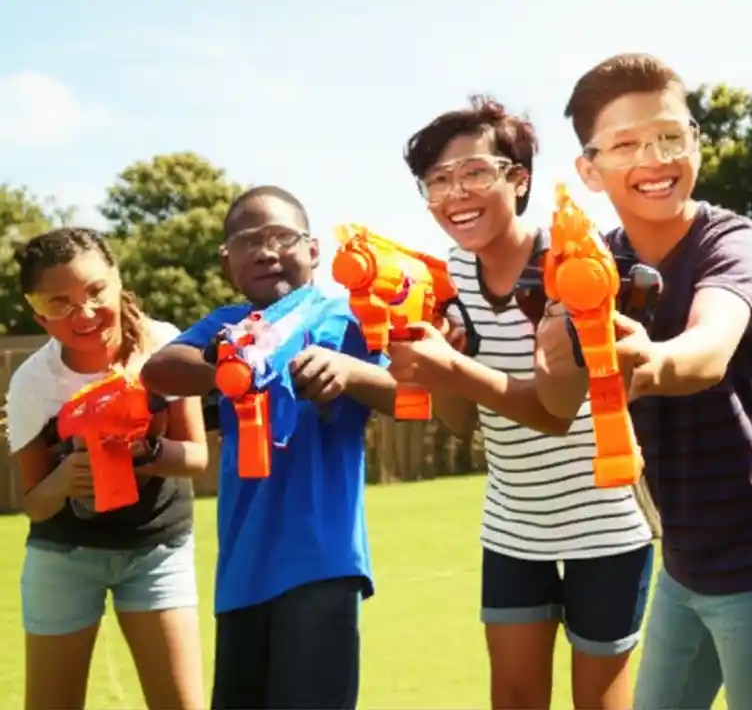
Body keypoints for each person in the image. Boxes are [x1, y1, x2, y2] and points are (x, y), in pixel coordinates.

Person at [534, 53, 752, 710]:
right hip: (685, 559)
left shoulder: (732, 243)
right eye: (626, 144)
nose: (655, 158)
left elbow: (709, 349)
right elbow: (557, 402)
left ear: (696, 141)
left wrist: (647, 361)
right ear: (589, 169)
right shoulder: (596, 261)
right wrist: (556, 350)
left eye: (670, 136)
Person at [387, 96, 656, 710]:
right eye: (438, 180)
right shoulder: (452, 276)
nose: (456, 193)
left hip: (603, 521)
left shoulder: (570, 263)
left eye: (474, 172)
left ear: (519, 179)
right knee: (512, 698)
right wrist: (442, 365)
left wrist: (455, 368)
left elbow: (556, 413)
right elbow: (460, 423)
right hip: (513, 524)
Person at [139, 186, 399, 709]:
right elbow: (158, 370)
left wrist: (349, 372)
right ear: (227, 260)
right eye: (248, 241)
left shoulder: (345, 316)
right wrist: (231, 366)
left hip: (321, 561)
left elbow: (412, 397)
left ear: (313, 250)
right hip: (242, 567)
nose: (265, 251)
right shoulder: (228, 326)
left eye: (282, 237)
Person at [6, 227, 207, 710]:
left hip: (157, 551)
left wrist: (144, 452)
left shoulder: (165, 347)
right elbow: (35, 505)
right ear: (38, 314)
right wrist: (63, 481)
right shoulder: (32, 382)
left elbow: (197, 457)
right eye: (59, 303)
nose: (84, 313)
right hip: (64, 557)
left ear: (118, 282)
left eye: (96, 291)